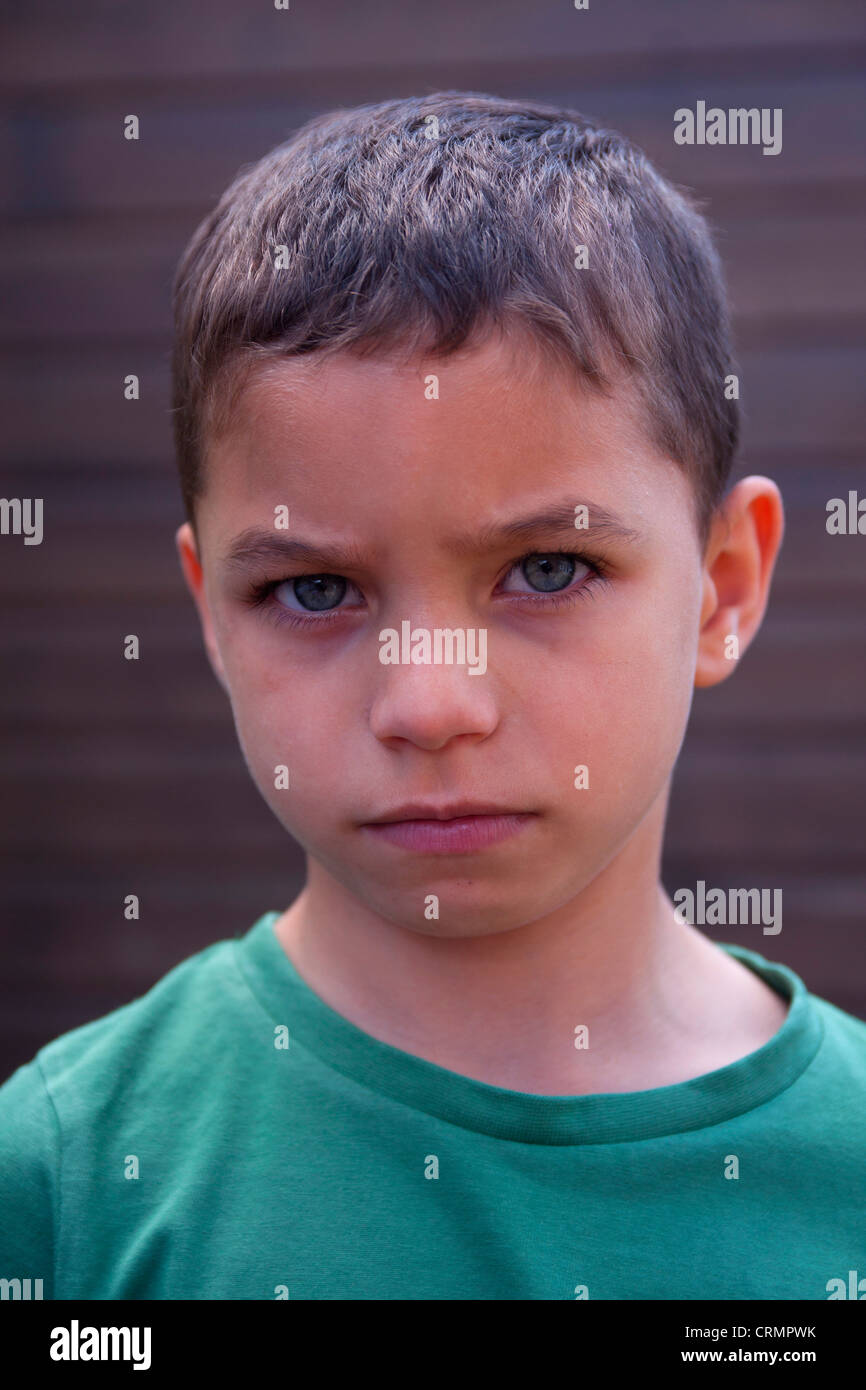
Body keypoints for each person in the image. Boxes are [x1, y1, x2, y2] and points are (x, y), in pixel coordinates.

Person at [1, 92, 864, 1301]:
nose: (427, 705)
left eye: (548, 571)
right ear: (208, 610)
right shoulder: (62, 1184)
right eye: (313, 590)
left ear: (721, 587)